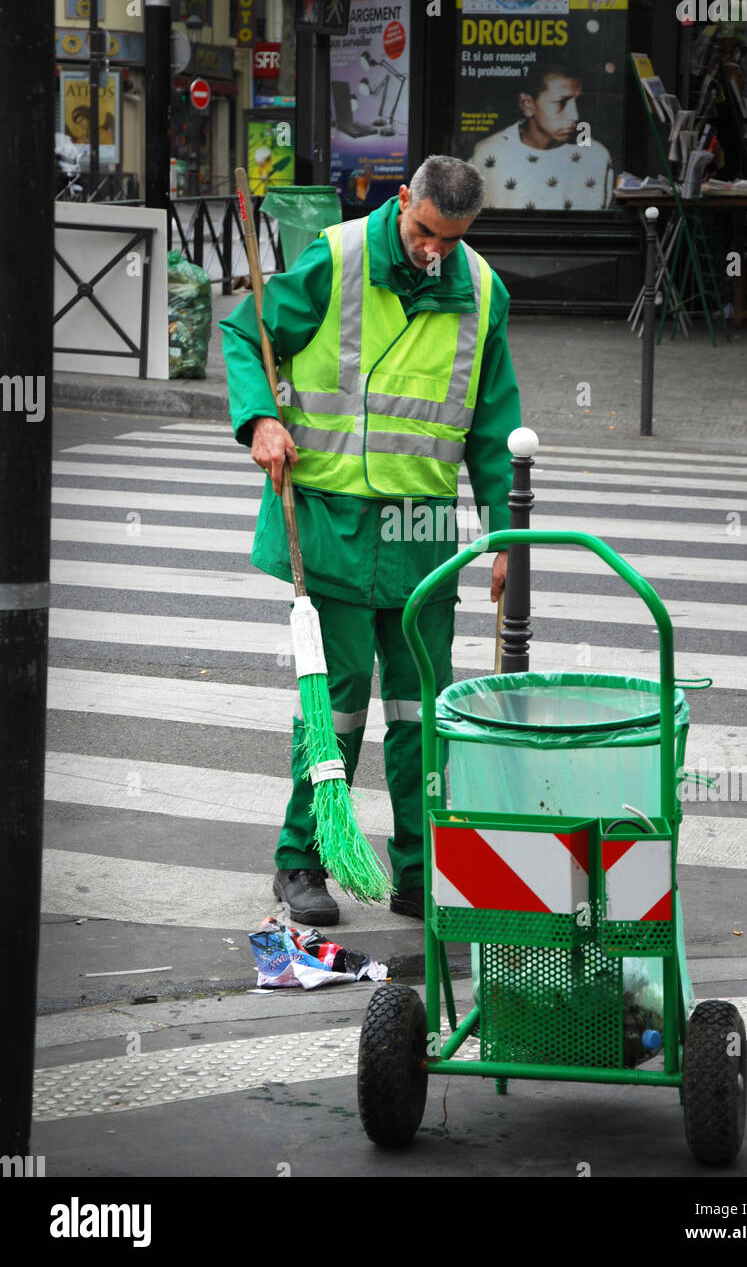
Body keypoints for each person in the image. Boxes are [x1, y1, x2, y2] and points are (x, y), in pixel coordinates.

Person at [221, 155, 522, 925]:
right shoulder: (342, 254)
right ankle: (303, 859)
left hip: (420, 533)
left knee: (423, 711)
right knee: (340, 703)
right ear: (402, 203)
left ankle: (421, 873)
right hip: (332, 520)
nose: (434, 252)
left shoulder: (483, 292)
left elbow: (495, 430)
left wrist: (507, 539)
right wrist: (261, 419)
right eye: (425, 233)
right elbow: (246, 328)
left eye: (451, 240)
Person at [469, 58, 613, 210]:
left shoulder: (596, 156)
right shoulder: (489, 153)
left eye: (579, 102)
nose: (575, 115)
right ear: (527, 104)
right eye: (561, 103)